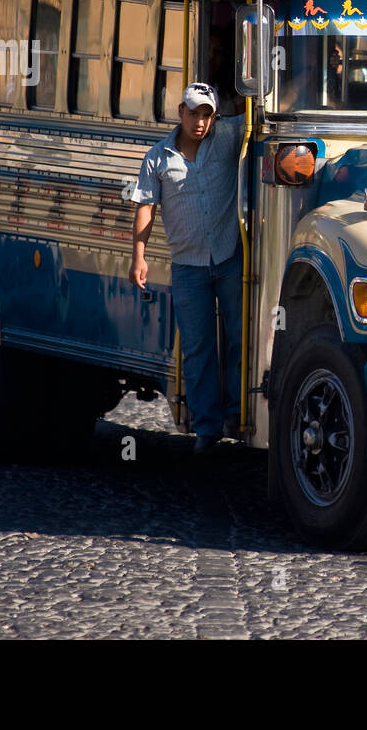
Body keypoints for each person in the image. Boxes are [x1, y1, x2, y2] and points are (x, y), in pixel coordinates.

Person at [129, 81, 245, 455]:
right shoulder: (157, 157)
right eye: (194, 113)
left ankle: (239, 415)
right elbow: (145, 205)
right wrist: (139, 255)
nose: (200, 121)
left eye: (206, 114)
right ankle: (207, 428)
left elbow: (260, 119)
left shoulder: (227, 136)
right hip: (188, 266)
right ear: (180, 112)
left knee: (242, 338)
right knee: (197, 348)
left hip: (229, 258)